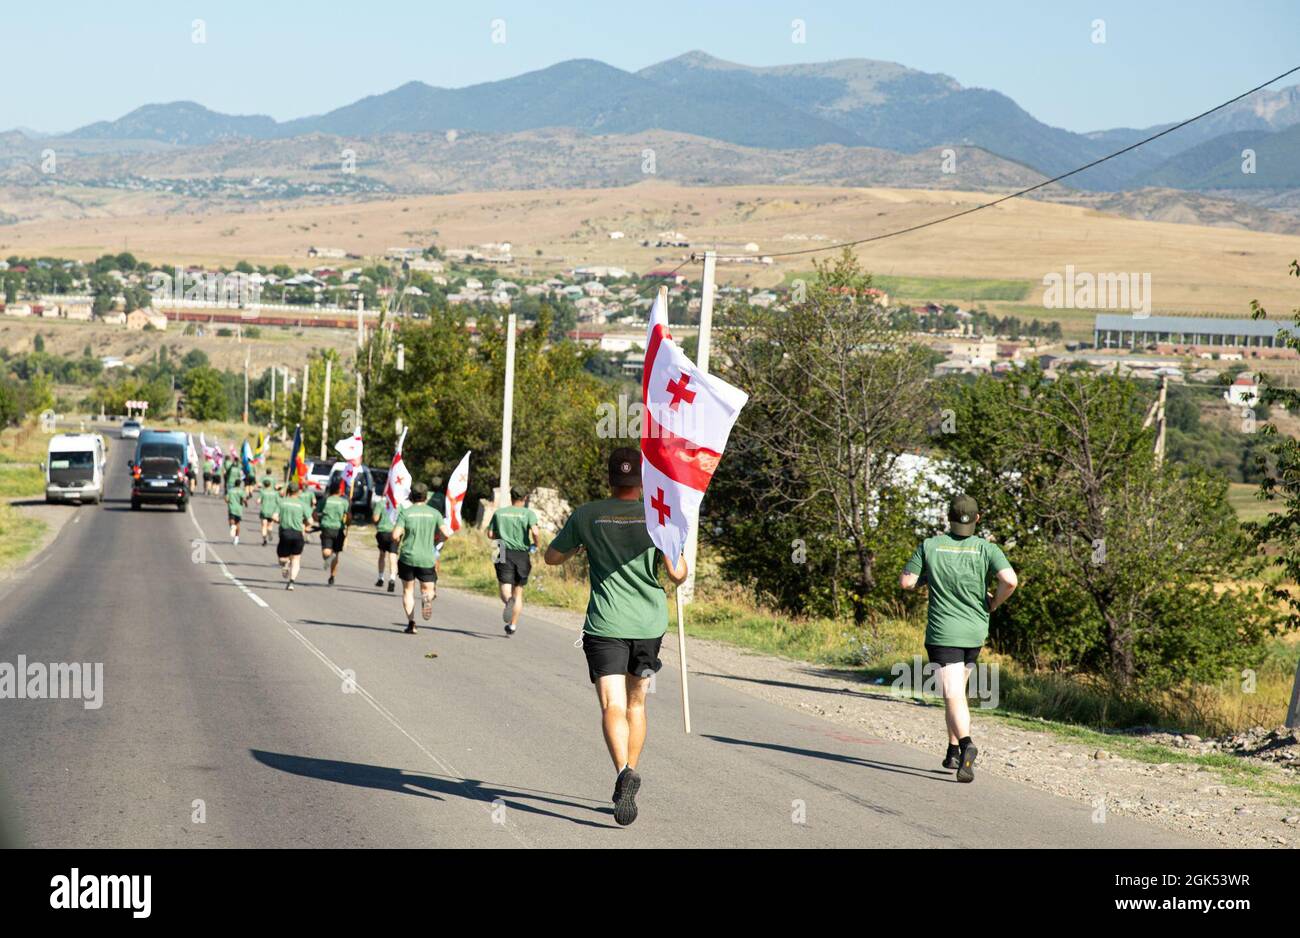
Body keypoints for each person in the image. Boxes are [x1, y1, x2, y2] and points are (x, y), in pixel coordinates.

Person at [544, 447, 687, 827]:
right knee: (636, 705)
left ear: (609, 479)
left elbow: (551, 558)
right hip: (648, 625)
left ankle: (624, 772)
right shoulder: (660, 516)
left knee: (611, 704)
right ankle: (631, 773)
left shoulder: (588, 514)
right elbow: (677, 575)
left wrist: (582, 544)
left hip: (605, 623)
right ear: (641, 480)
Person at [900, 494, 1018, 783]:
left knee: (952, 693)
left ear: (947, 518)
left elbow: (906, 582)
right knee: (956, 693)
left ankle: (966, 745)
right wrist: (993, 604)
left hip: (944, 631)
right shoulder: (987, 549)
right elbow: (1010, 581)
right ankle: (953, 751)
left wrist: (927, 577)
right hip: (975, 630)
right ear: (977, 519)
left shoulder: (930, 545)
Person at [391, 482, 451, 635]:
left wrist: (398, 539)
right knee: (428, 589)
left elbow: (395, 535)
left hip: (407, 557)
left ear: (412, 495)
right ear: (426, 496)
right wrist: (438, 540)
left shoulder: (406, 512)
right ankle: (427, 598)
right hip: (427, 557)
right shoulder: (435, 513)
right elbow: (446, 533)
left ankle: (411, 623)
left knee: (408, 591)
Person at [489, 486, 540, 635]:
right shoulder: (529, 514)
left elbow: (490, 533)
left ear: (511, 496)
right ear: (525, 498)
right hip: (522, 553)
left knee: (504, 587)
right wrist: (536, 544)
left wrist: (500, 536)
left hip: (502, 549)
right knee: (518, 591)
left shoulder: (499, 513)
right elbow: (535, 531)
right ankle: (512, 625)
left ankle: (507, 601)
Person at [273, 480, 309, 590]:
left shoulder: (282, 502)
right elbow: (311, 520)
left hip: (285, 533)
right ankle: (291, 582)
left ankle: (285, 564)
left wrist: (281, 521)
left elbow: (274, 516)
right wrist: (305, 525)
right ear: (298, 492)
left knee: (282, 558)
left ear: (288, 490)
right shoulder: (302, 504)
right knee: (296, 559)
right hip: (298, 534)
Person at [315, 479, 350, 586]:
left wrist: (320, 521)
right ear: (340, 490)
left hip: (327, 527)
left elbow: (315, 514)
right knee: (336, 554)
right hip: (339, 529)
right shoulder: (344, 502)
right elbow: (349, 516)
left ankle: (328, 557)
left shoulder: (325, 500)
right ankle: (332, 576)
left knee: (326, 551)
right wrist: (348, 523)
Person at [372, 487, 400, 592]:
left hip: (382, 532)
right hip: (394, 533)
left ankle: (380, 577)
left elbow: (375, 518)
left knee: (382, 554)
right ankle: (392, 578)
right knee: (393, 556)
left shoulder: (381, 503)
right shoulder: (399, 504)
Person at [257, 476, 279, 546]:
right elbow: (278, 502)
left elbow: (258, 501)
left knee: (264, 526)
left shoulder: (262, 492)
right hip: (272, 512)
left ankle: (264, 539)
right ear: (270, 485)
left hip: (264, 511)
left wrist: (260, 501)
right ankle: (269, 533)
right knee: (270, 526)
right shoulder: (275, 493)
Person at [226, 478, 246, 545]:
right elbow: (244, 499)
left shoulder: (230, 490)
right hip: (239, 509)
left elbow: (226, 499)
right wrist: (246, 503)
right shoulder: (241, 491)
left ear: (234, 484)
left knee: (231, 520)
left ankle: (232, 526)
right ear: (240, 484)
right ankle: (236, 538)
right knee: (238, 523)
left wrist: (229, 502)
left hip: (232, 508)